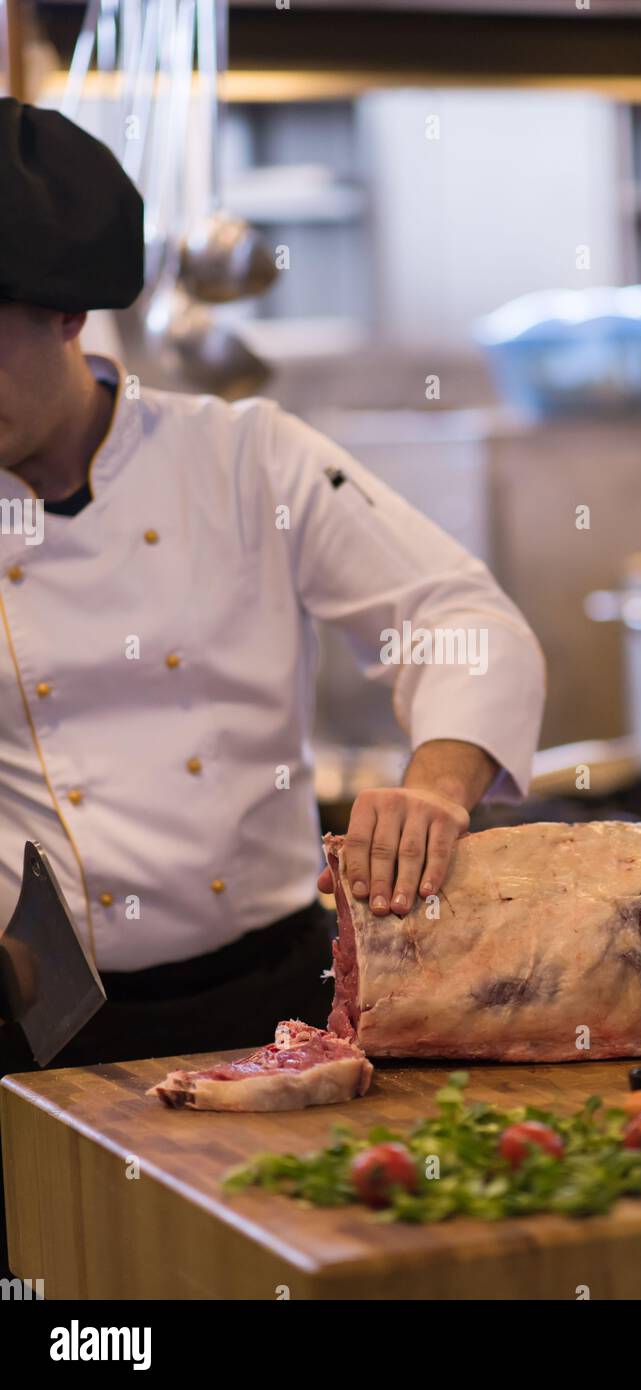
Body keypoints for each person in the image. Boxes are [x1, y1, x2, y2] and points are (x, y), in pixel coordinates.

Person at [0, 98, 545, 1084]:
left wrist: (435, 788)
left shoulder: (247, 459)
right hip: (34, 1026)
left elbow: (458, 617)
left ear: (69, 314)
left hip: (270, 1005)